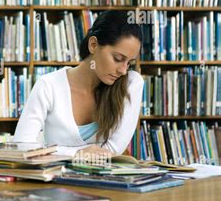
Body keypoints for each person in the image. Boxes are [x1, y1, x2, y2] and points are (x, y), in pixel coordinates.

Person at [12, 10, 144, 158]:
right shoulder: (49, 85)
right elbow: (22, 145)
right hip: (56, 178)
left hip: (104, 178)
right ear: (93, 45)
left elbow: (113, 150)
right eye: (118, 58)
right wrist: (76, 153)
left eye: (129, 63)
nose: (123, 70)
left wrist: (56, 151)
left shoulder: (130, 84)